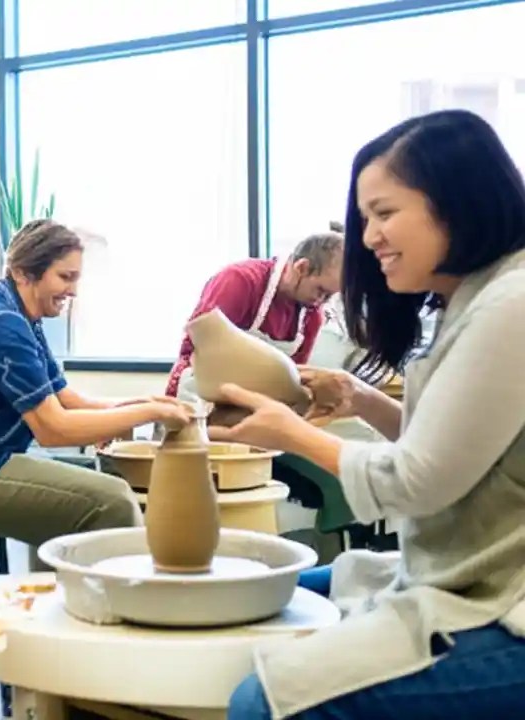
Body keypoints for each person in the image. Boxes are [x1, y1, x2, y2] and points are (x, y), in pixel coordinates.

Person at [214, 109, 525, 719]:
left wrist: (292, 433)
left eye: (384, 213)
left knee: (259, 702)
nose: (368, 238)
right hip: (464, 568)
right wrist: (362, 401)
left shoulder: (510, 306)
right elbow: (457, 444)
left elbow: (418, 480)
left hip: (502, 597)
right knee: (251, 595)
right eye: (365, 219)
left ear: (457, 202)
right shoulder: (480, 296)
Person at [0, 220, 192, 568]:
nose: (74, 291)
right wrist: (150, 415)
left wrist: (144, 402)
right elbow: (54, 430)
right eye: (65, 277)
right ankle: (121, 612)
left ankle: (60, 601)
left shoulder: (21, 316)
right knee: (111, 502)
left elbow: (67, 399)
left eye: (76, 278)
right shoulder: (0, 324)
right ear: (24, 273)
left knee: (101, 476)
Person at [166, 231, 344, 403]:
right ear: (302, 268)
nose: (321, 302)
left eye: (329, 296)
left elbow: (293, 376)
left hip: (252, 404)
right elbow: (198, 344)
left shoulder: (312, 316)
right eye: (321, 291)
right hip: (200, 393)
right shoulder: (239, 281)